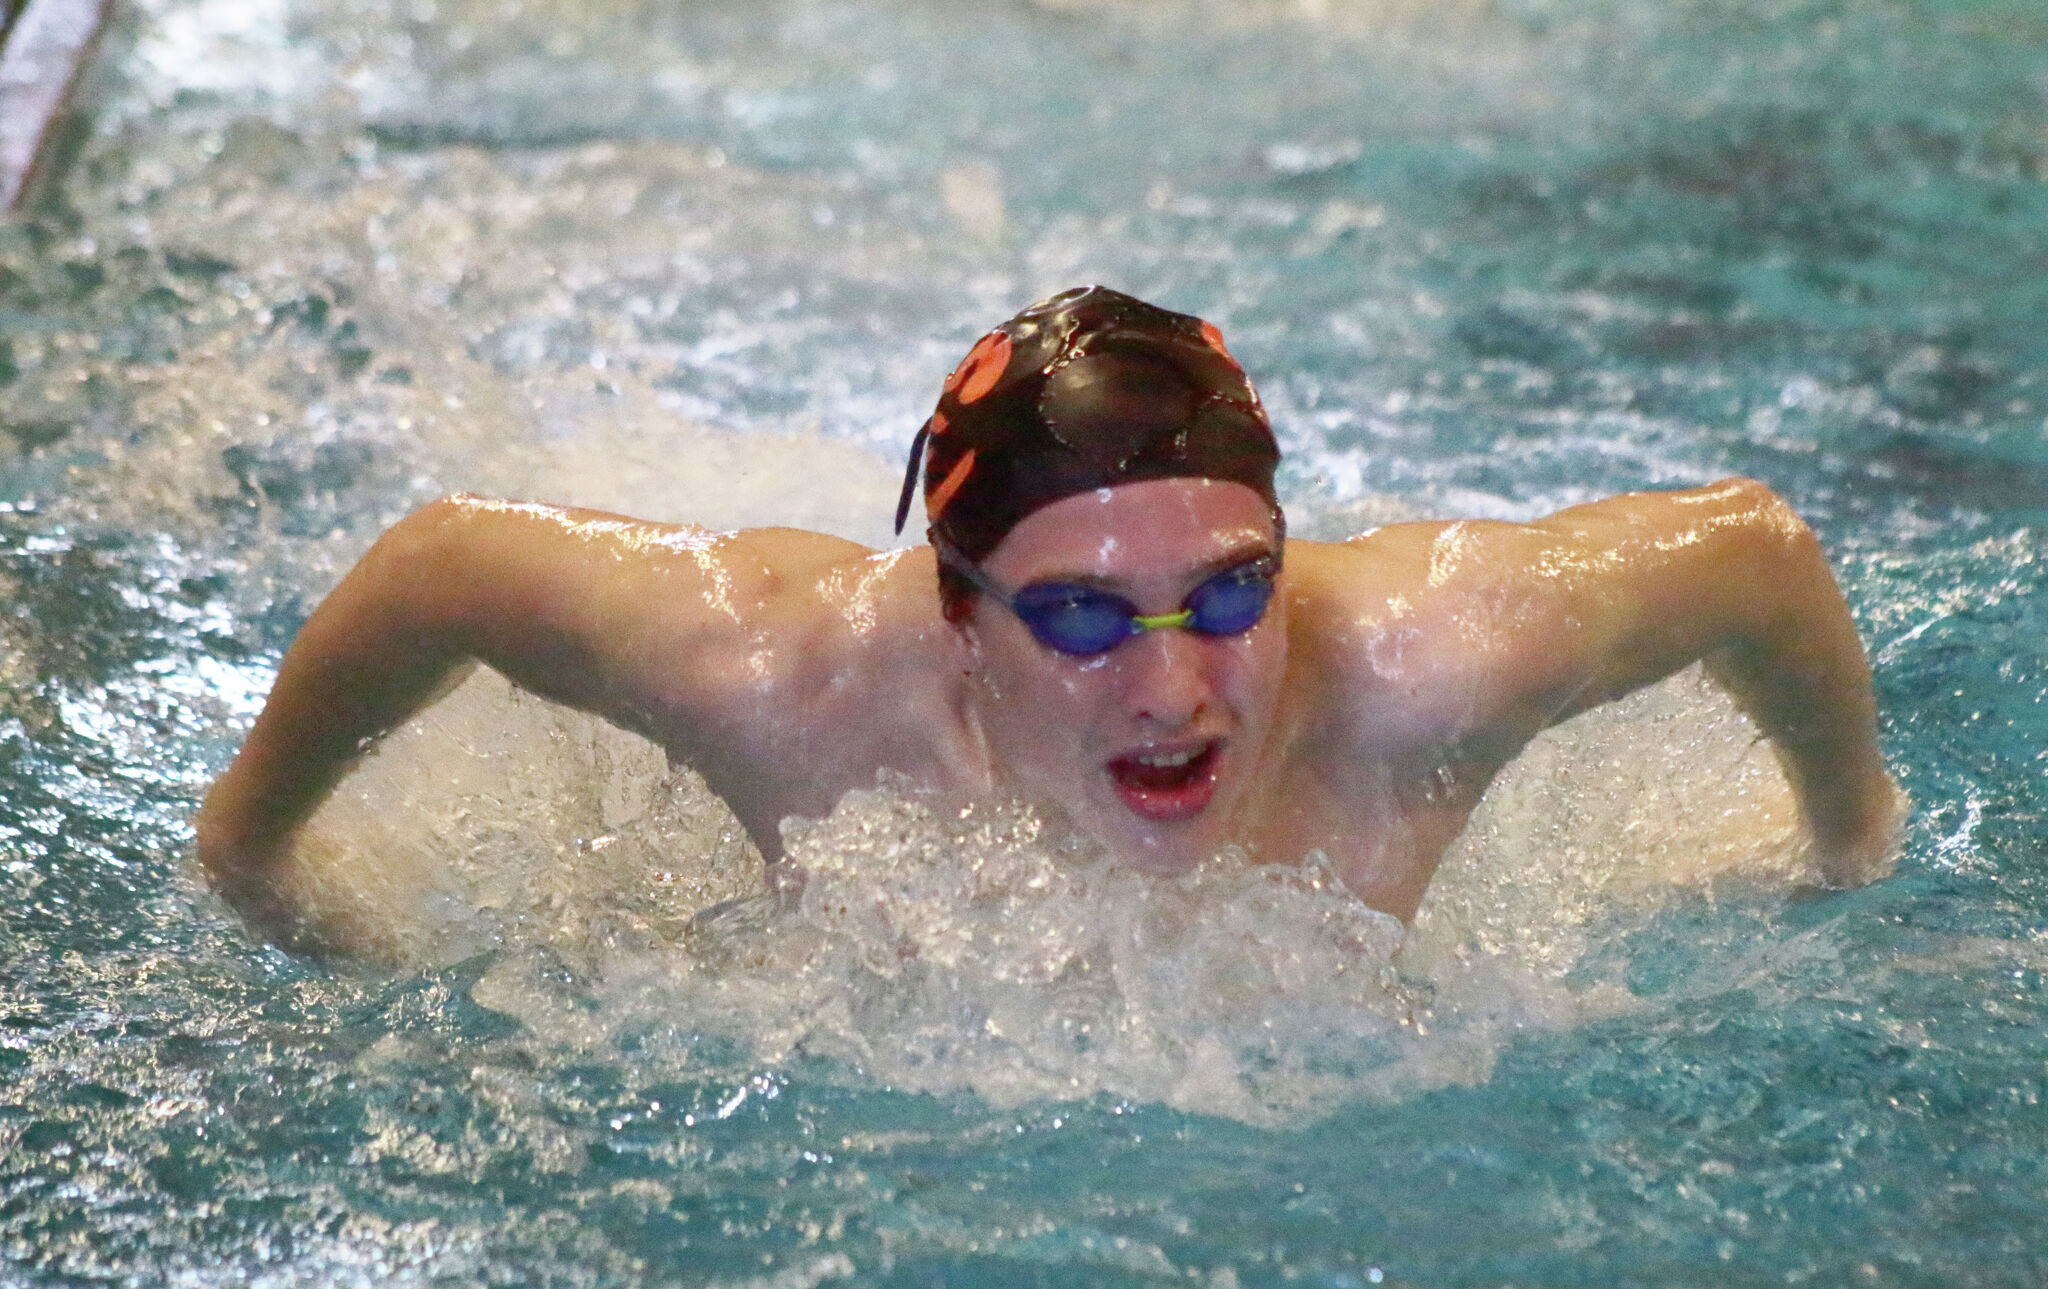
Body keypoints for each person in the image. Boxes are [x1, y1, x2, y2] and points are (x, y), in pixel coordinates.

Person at [197, 285, 1901, 952]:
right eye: (1081, 616)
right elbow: (442, 566)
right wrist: (255, 853)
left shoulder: (1436, 661)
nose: (1176, 685)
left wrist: (1845, 843)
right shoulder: (778, 675)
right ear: (957, 617)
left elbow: (1754, 551)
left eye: (1233, 589)